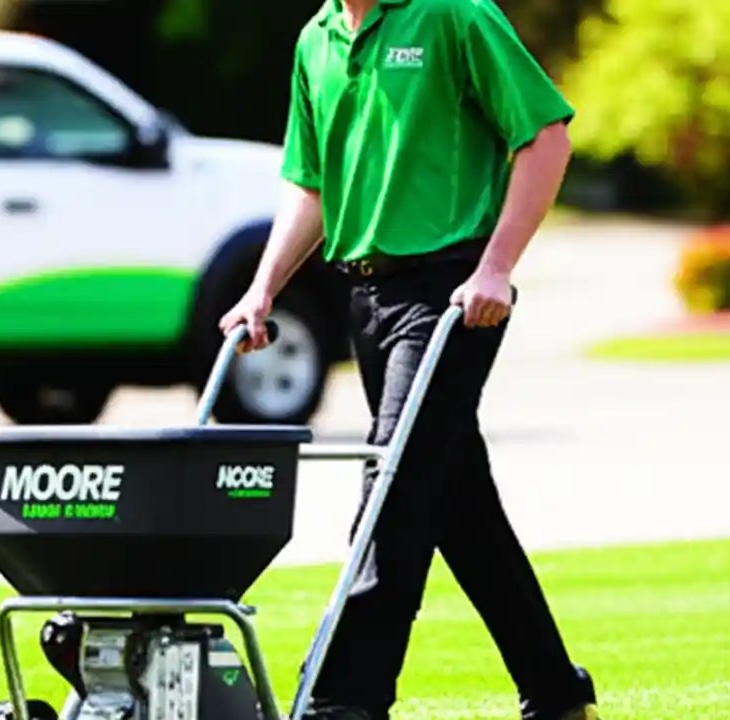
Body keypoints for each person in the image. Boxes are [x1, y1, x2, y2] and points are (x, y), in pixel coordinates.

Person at [217, 1, 600, 719]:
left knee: (393, 480)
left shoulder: (454, 14)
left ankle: (339, 697)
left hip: (451, 292)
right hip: (365, 295)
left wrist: (495, 267)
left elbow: (545, 137)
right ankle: (555, 691)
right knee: (455, 502)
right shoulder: (317, 38)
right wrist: (262, 287)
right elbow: (311, 184)